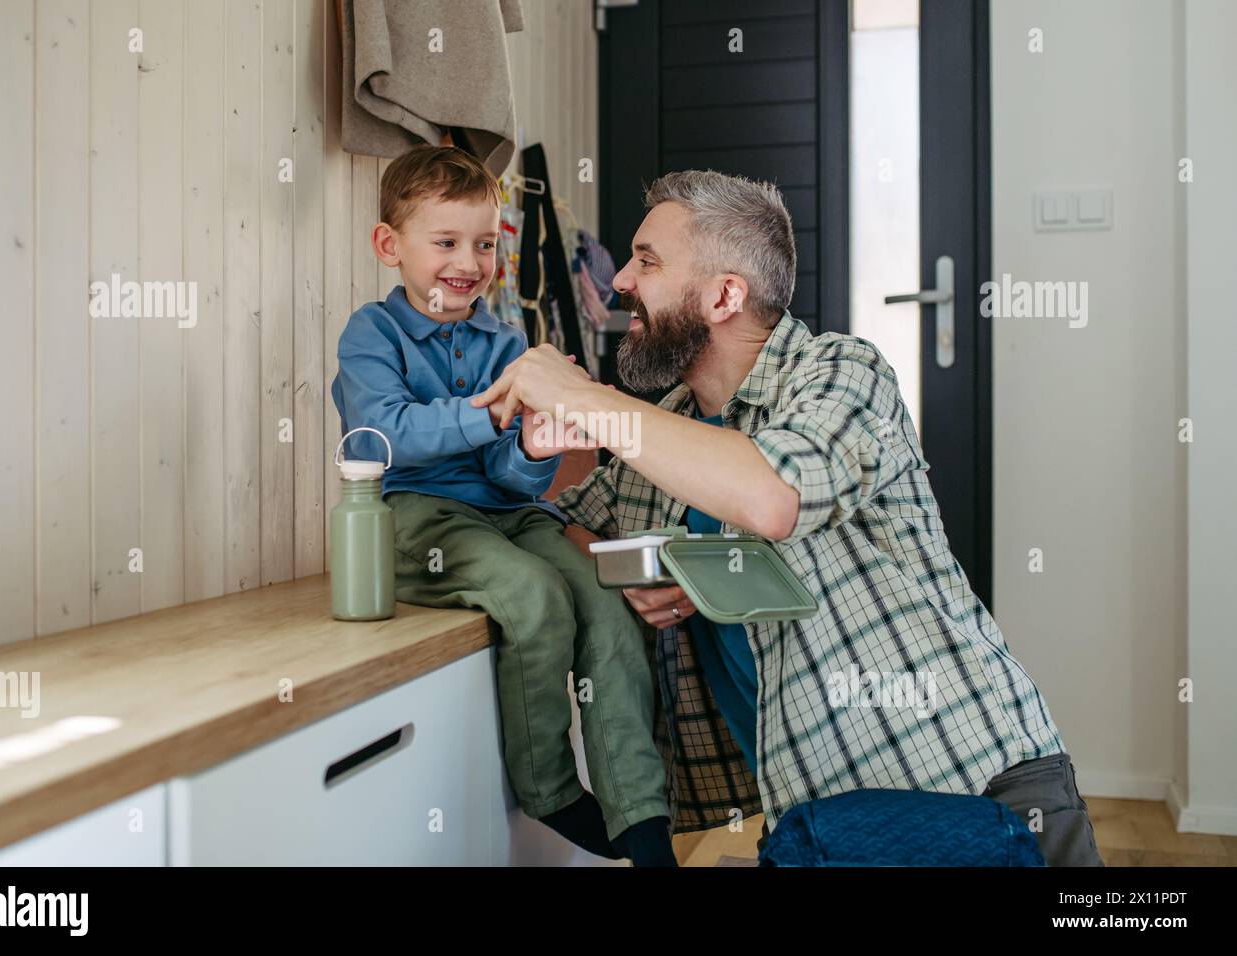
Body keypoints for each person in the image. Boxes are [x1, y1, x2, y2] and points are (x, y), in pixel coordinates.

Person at [473, 169, 1104, 866]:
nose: (621, 280)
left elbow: (774, 497)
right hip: (815, 823)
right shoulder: (668, 432)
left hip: (968, 789)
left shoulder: (844, 374)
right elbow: (552, 518)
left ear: (724, 295)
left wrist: (583, 399)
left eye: (647, 261)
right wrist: (625, 568)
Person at [330, 146, 676, 865]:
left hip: (509, 515)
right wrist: (488, 419)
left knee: (605, 602)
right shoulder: (373, 334)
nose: (469, 261)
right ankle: (548, 787)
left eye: (484, 244)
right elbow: (381, 434)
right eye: (447, 242)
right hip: (419, 519)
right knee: (534, 592)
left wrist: (534, 450)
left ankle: (642, 820)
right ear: (389, 246)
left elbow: (513, 482)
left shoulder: (508, 340)